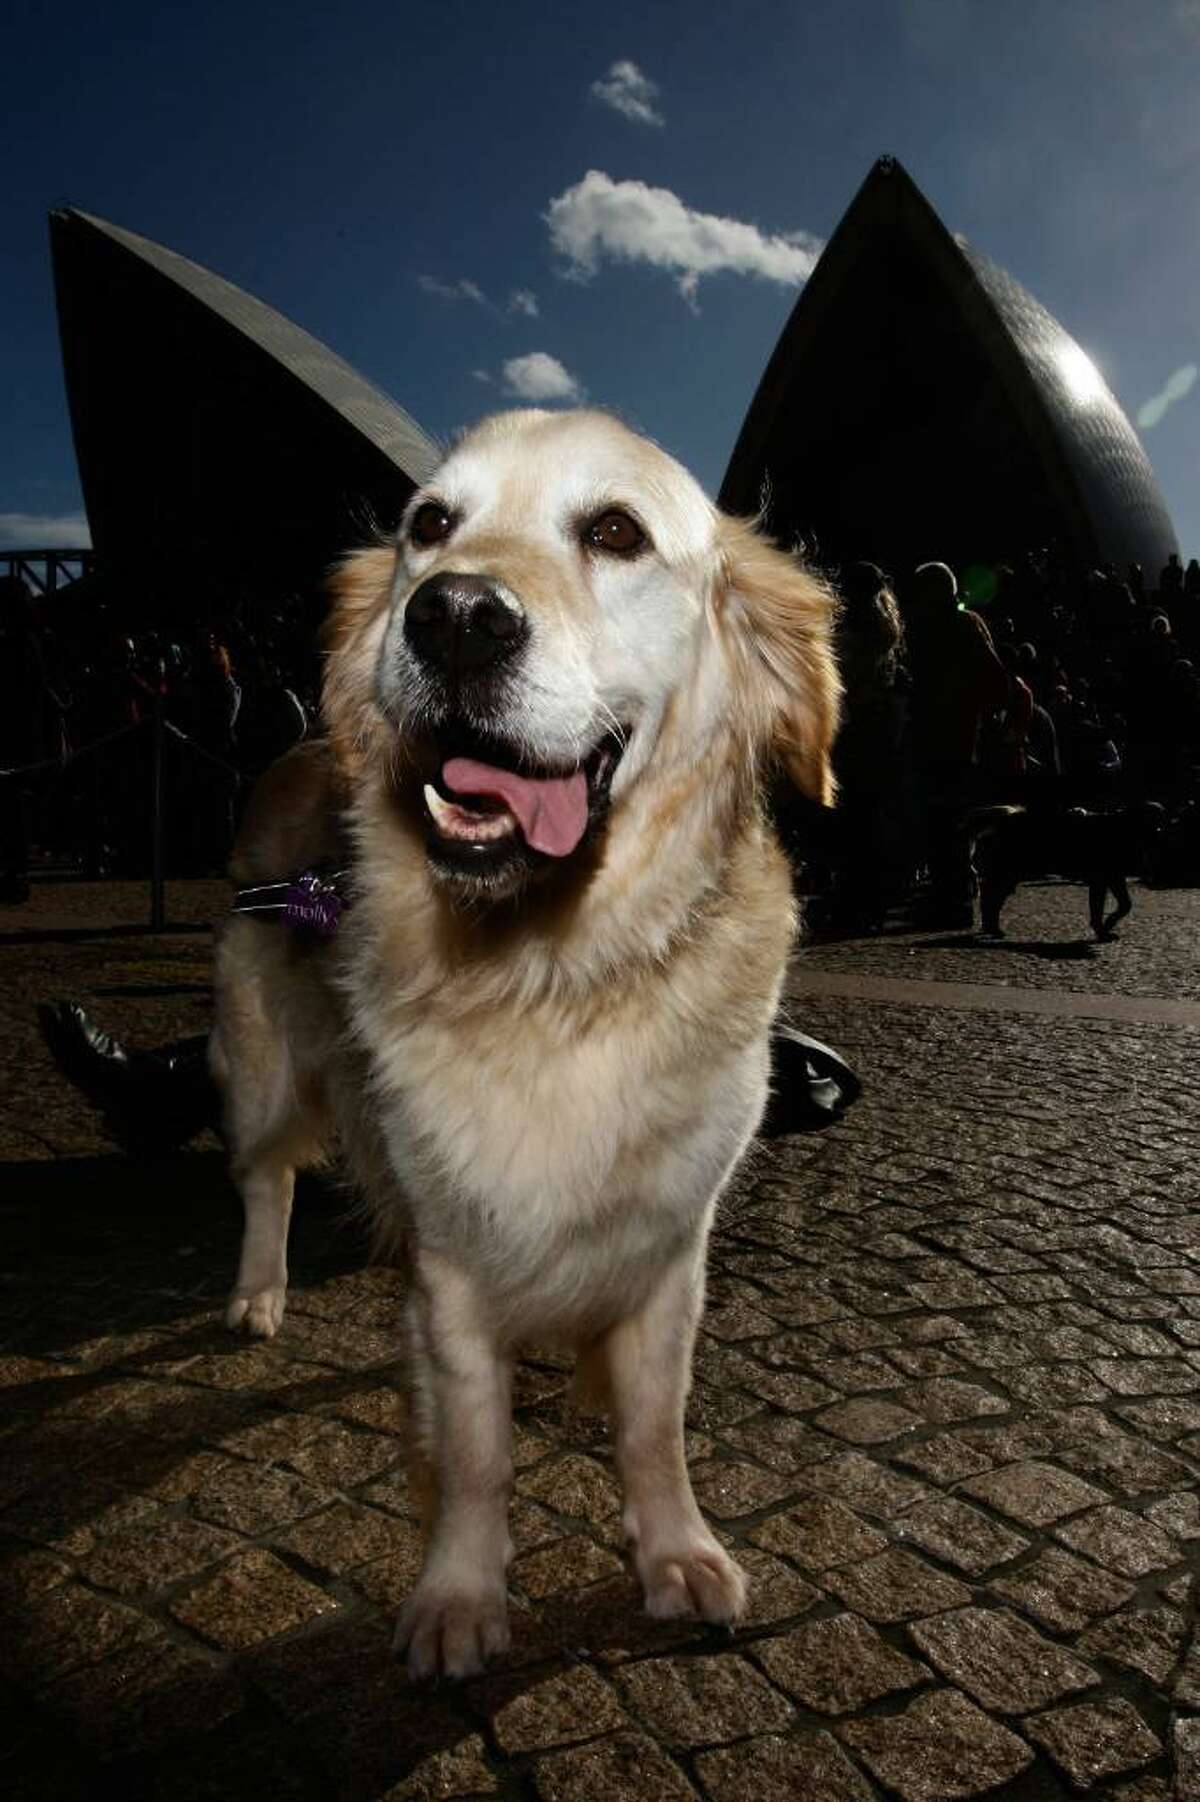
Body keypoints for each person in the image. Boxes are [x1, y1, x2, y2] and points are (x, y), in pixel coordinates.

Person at [902, 561, 1009, 926]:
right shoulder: (956, 626)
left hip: (952, 736)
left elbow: (994, 680)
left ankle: (955, 897)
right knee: (943, 819)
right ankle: (950, 893)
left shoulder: (952, 627)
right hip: (946, 734)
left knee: (948, 819)